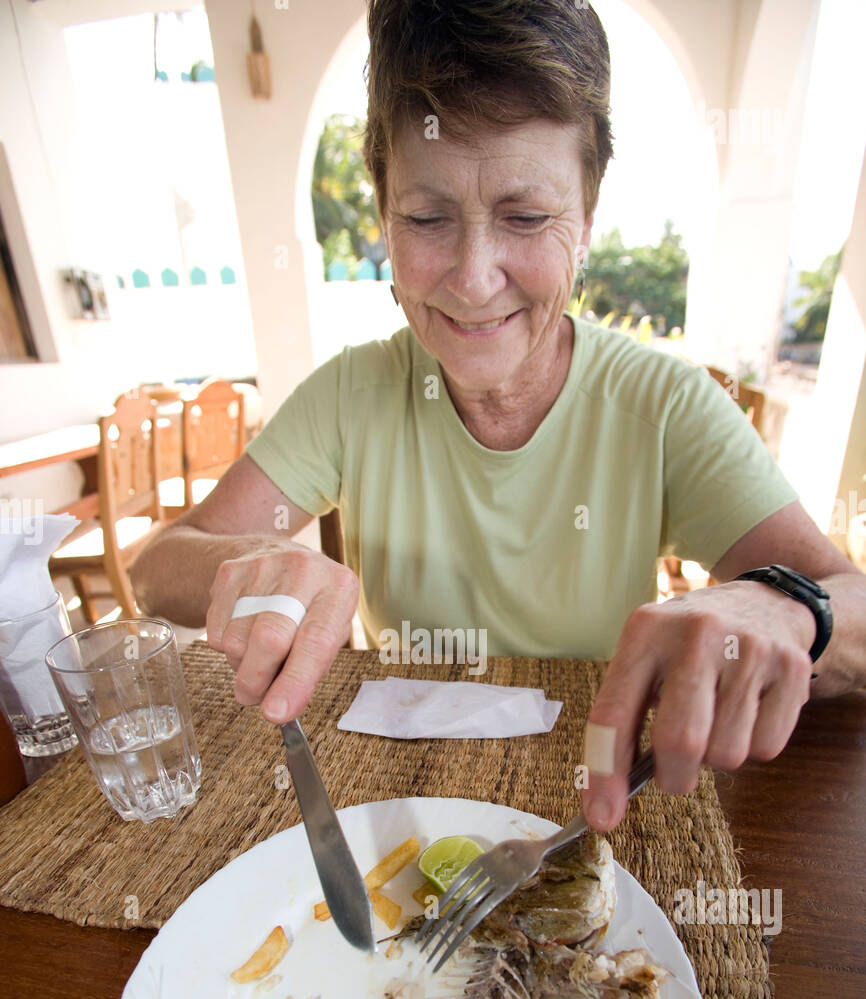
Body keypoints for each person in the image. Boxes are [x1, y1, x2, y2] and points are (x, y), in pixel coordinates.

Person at [130, 0, 865, 834]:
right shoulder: (352, 393)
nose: (475, 280)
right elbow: (157, 569)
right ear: (382, 216)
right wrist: (253, 559)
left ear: (587, 223)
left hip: (602, 806)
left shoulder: (664, 406)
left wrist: (790, 605)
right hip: (399, 800)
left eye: (525, 217)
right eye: (427, 218)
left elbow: (854, 601)